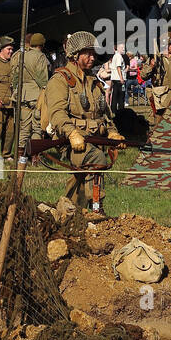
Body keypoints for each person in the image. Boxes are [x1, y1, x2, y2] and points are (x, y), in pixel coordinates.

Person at [45, 31, 124, 210]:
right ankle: (97, 208)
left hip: (95, 139)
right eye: (87, 53)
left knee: (79, 180)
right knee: (96, 159)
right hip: (71, 141)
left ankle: (68, 210)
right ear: (74, 55)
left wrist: (113, 132)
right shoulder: (60, 80)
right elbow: (57, 113)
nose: (92, 57)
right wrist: (72, 133)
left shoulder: (93, 82)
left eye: (93, 53)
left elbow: (105, 114)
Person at [13, 32, 50, 162]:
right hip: (36, 96)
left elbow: (16, 76)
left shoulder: (21, 56)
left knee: (23, 127)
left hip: (22, 95)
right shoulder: (40, 57)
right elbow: (42, 78)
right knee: (37, 127)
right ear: (41, 44)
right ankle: (35, 157)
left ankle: (20, 156)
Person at [109, 43, 127, 115]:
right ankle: (120, 110)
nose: (124, 49)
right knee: (120, 96)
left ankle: (113, 109)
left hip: (115, 78)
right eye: (122, 48)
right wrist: (121, 78)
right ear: (118, 48)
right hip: (119, 79)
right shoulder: (118, 56)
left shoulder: (115, 56)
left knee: (115, 95)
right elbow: (118, 67)